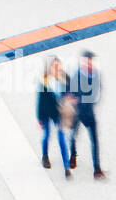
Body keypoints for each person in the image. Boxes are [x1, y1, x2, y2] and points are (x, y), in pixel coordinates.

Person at [67, 50, 106, 179]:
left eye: (90, 62)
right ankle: (73, 155)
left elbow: (97, 94)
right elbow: (70, 92)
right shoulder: (76, 75)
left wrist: (85, 101)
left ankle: (97, 168)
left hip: (88, 113)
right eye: (86, 62)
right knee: (73, 136)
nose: (88, 65)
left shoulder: (96, 75)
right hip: (77, 113)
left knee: (94, 140)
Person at [37, 57, 72, 178]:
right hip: (46, 112)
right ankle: (45, 156)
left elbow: (70, 91)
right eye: (54, 66)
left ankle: (66, 166)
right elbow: (40, 101)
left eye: (58, 66)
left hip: (58, 113)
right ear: (50, 68)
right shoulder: (44, 81)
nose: (57, 68)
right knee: (47, 135)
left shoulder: (65, 78)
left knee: (61, 137)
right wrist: (39, 117)